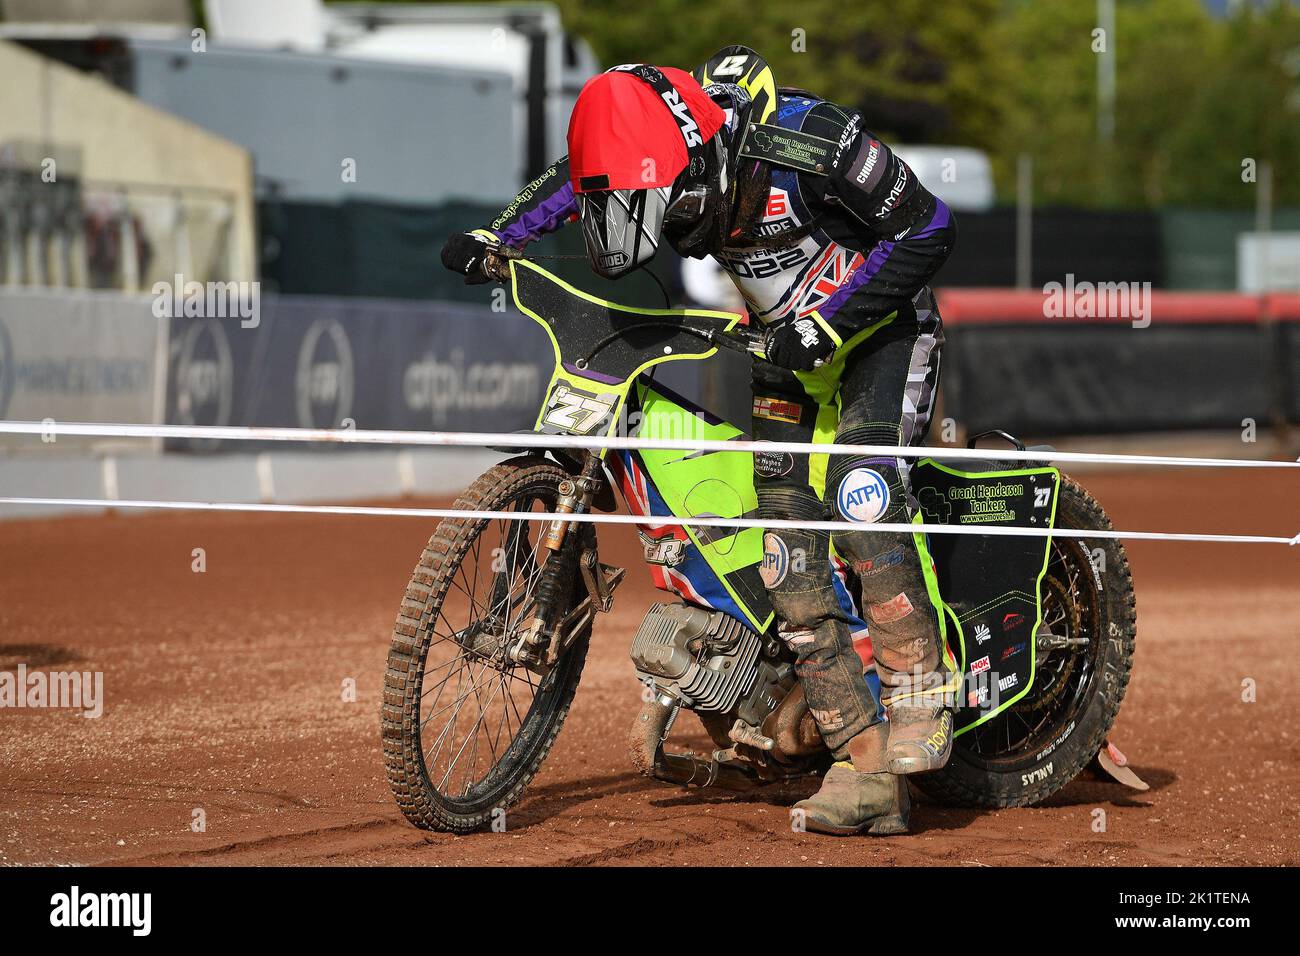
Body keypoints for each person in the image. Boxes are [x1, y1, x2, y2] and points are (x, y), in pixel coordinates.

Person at [441, 47, 958, 836]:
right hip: (784, 350)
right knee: (786, 546)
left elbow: (929, 226)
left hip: (882, 334)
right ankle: (865, 765)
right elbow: (578, 180)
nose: (670, 223)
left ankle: (923, 698)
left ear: (702, 159)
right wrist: (501, 234)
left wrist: (830, 324)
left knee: (862, 490)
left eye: (671, 205)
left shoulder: (810, 145)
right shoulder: (659, 153)